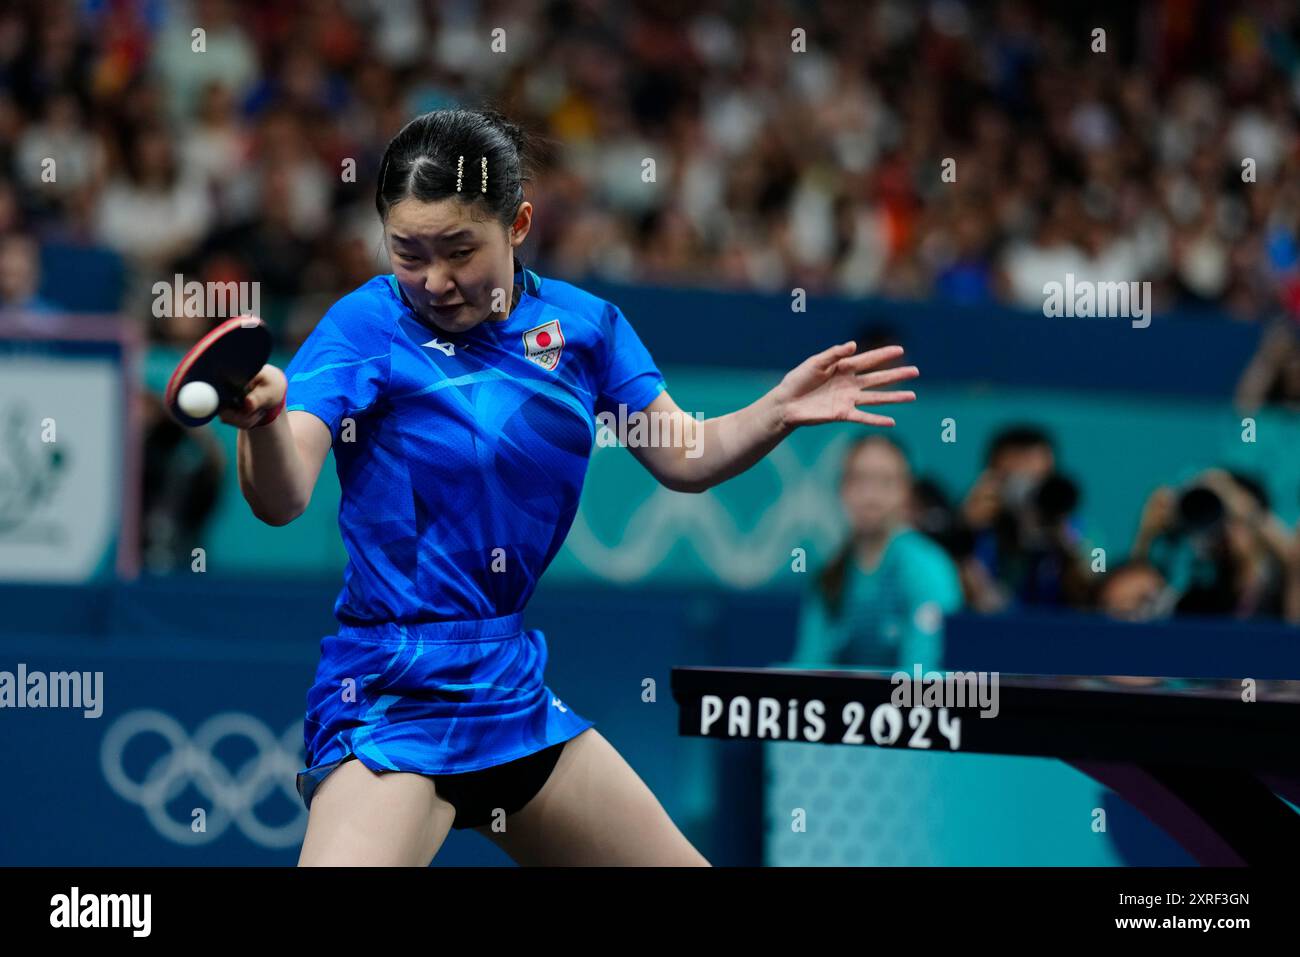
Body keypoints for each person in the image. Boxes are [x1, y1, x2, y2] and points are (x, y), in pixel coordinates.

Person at [217, 107, 921, 866]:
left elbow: (682, 453)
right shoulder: (365, 325)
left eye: (459, 249)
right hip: (389, 692)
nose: (435, 280)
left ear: (518, 224)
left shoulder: (585, 328)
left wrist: (775, 410)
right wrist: (260, 421)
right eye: (407, 252)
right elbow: (281, 497)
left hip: (507, 686)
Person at [792, 435, 962, 674]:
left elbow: (922, 675)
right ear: (842, 489)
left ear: (907, 492)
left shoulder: (929, 568)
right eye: (859, 480)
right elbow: (808, 667)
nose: (870, 496)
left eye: (886, 482)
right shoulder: (830, 573)